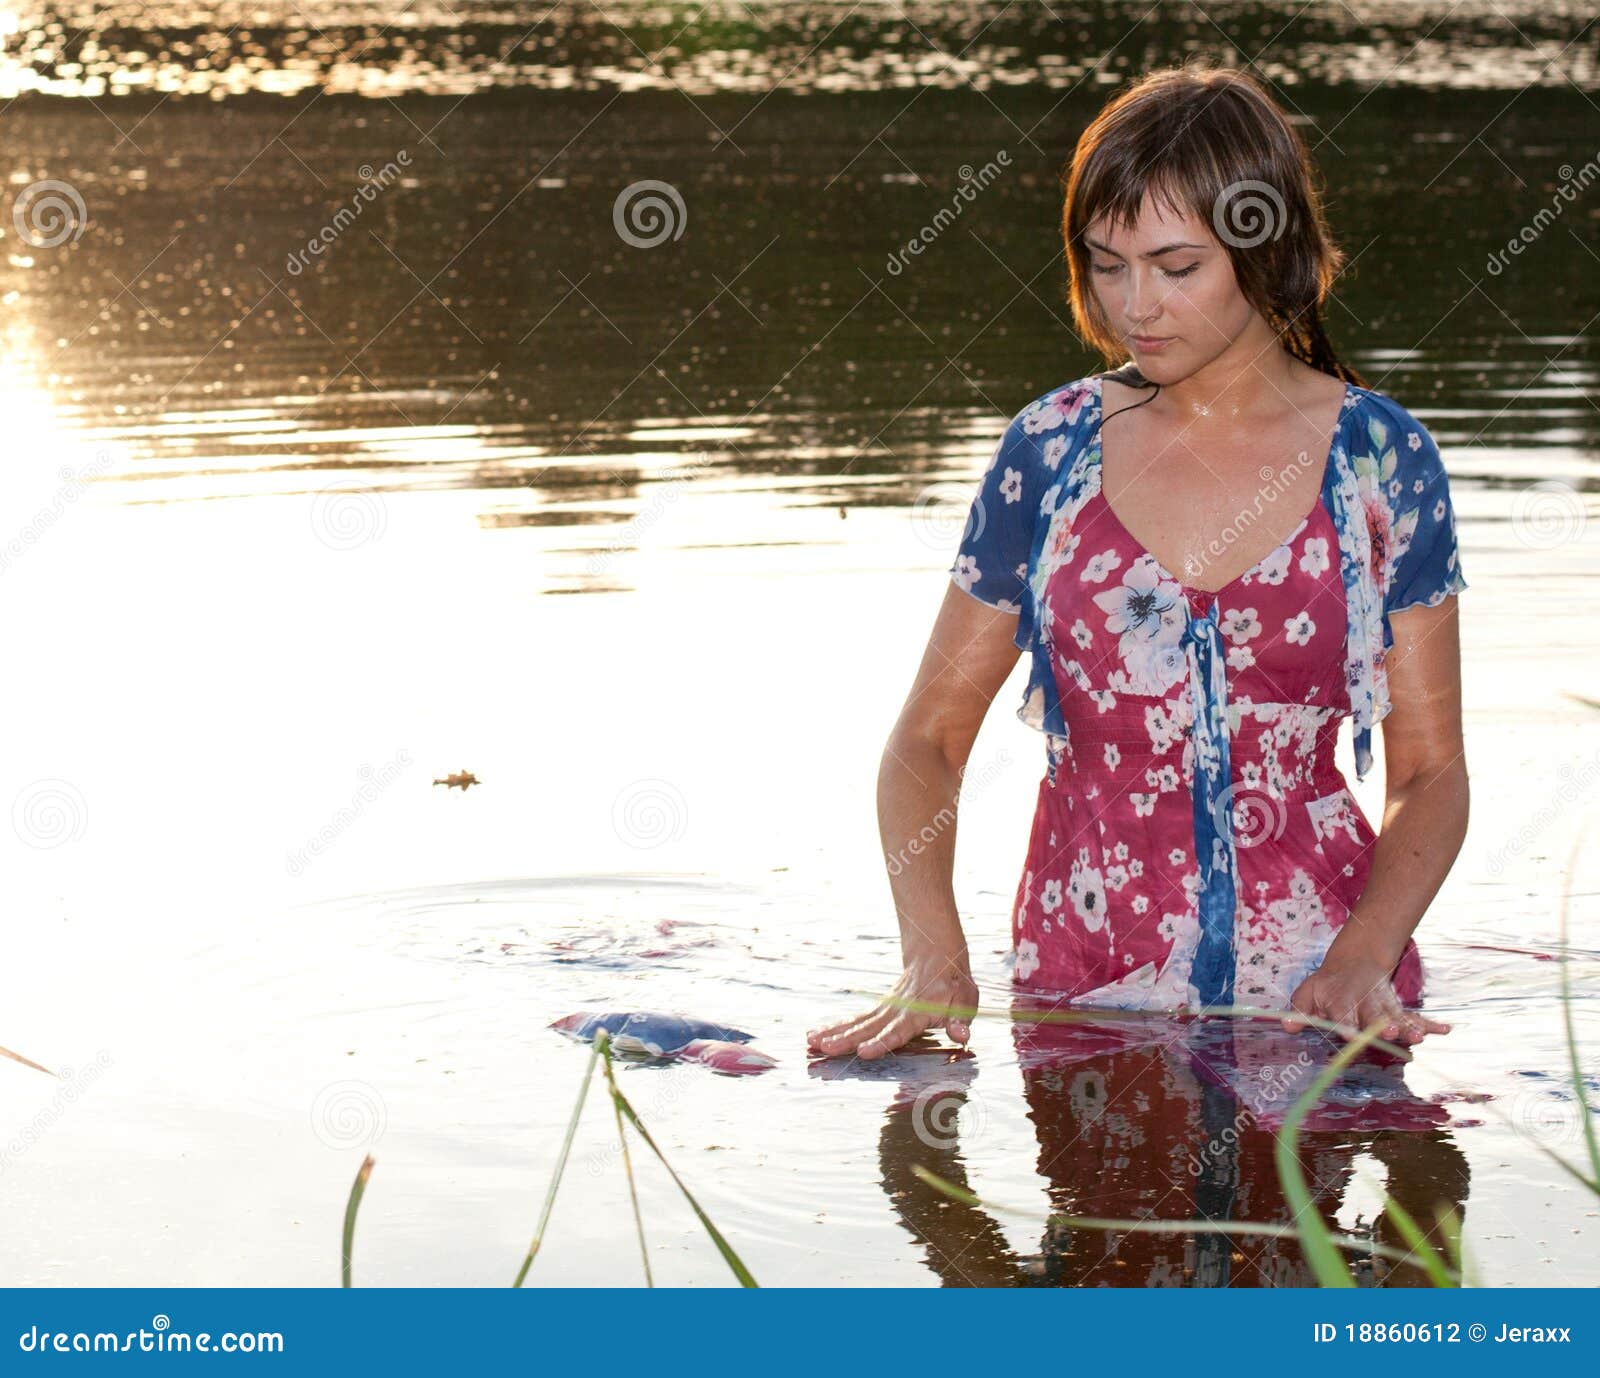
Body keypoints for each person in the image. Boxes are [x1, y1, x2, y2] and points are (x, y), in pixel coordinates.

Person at [808, 63, 1469, 1062]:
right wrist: (932, 955)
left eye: (1175, 266)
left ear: (1266, 246)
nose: (1134, 305)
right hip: (1081, 991)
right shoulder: (1048, 453)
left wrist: (1360, 954)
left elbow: (1428, 772)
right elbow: (926, 742)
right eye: (1105, 263)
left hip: (1325, 994)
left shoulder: (1381, 462)